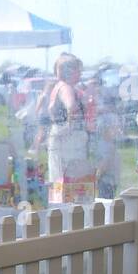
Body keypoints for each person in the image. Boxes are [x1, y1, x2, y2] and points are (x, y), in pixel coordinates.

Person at [39, 52, 89, 200]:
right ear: (70, 71)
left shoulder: (58, 86)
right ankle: (68, 212)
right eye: (78, 70)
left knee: (59, 179)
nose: (80, 73)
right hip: (68, 141)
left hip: (61, 138)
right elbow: (71, 106)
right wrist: (70, 125)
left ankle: (62, 210)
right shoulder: (66, 87)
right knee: (69, 180)